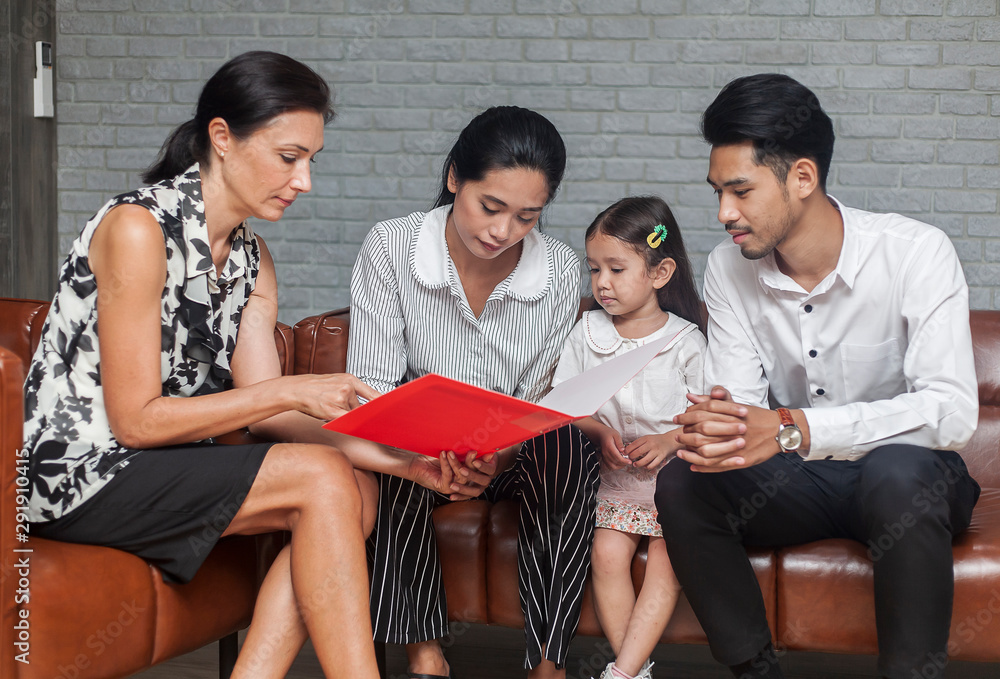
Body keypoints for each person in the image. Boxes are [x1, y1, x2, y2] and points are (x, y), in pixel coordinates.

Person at [24, 51, 395, 678]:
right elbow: (136, 422)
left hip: (160, 464)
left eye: (312, 159)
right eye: (289, 157)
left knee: (356, 486)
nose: (304, 181)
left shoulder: (253, 258)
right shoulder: (137, 229)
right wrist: (295, 390)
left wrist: (404, 461)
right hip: (78, 473)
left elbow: (269, 412)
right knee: (325, 478)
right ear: (221, 137)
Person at [655, 73, 981, 679]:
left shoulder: (915, 252)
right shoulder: (729, 269)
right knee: (684, 482)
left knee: (895, 471)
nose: (724, 213)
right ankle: (757, 671)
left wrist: (792, 427)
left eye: (741, 191)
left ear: (802, 178)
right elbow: (741, 409)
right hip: (800, 481)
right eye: (718, 192)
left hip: (906, 479)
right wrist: (717, 427)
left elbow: (952, 411)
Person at [346, 105, 602, 679]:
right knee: (390, 458)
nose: (502, 231)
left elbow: (539, 400)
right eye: (491, 207)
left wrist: (498, 456)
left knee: (567, 447)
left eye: (526, 216)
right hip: (414, 452)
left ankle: (548, 662)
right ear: (454, 177)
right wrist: (427, 454)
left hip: (505, 456)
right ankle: (425, 655)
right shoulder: (391, 248)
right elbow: (373, 389)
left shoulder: (560, 271)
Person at [551, 196, 706, 679]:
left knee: (667, 560)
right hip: (617, 480)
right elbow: (564, 403)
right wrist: (598, 431)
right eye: (594, 268)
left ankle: (622, 671)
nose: (602, 282)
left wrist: (670, 441)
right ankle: (634, 672)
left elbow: (707, 414)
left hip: (674, 484)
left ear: (660, 273)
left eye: (616, 269)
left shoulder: (685, 341)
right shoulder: (587, 333)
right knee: (605, 555)